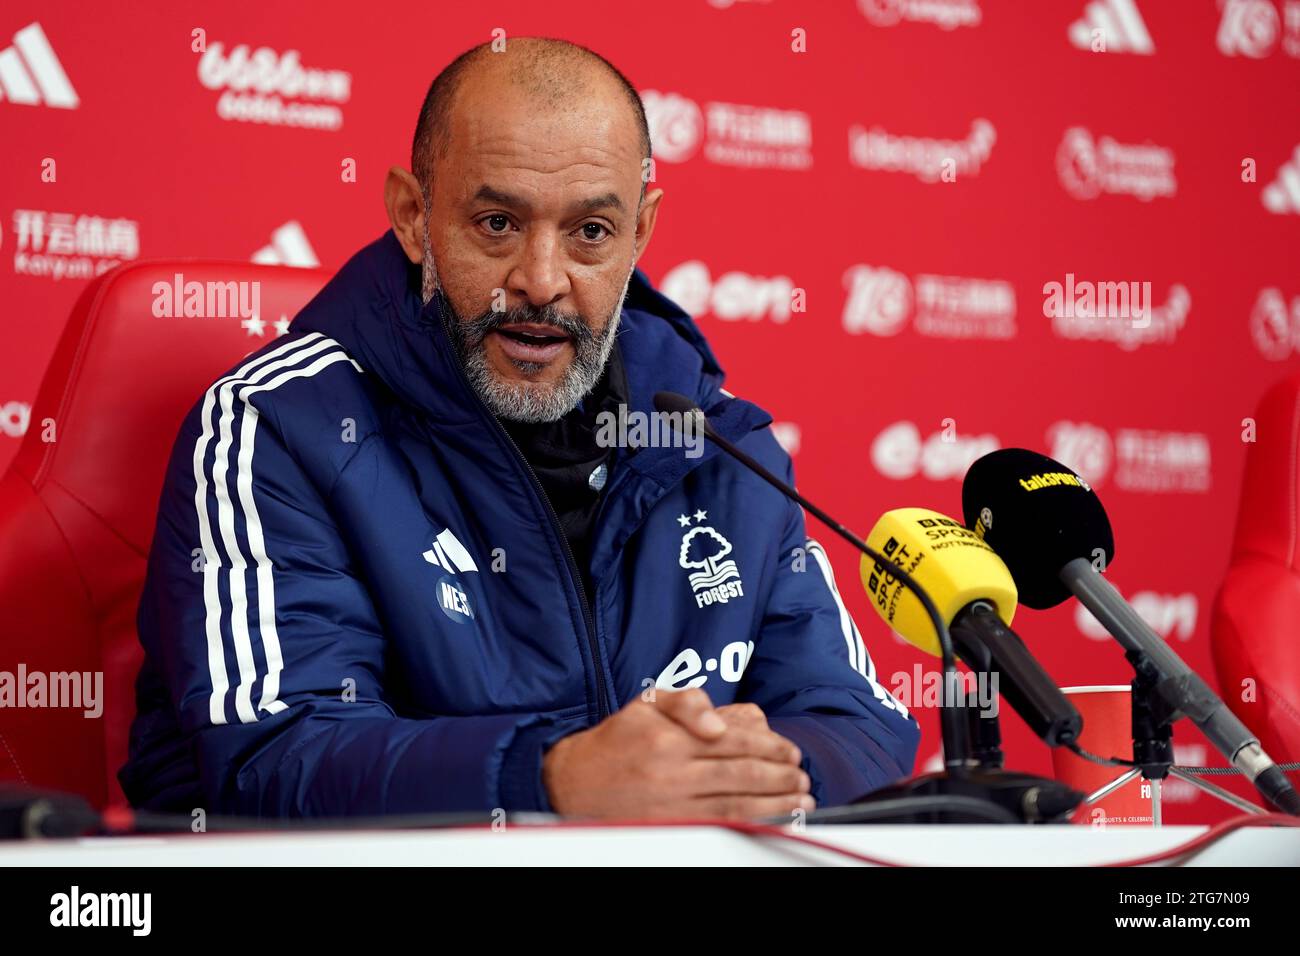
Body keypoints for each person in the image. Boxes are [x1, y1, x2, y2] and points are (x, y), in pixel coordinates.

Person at [119, 37, 919, 819]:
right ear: (412, 216)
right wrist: (551, 779)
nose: (541, 281)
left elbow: (857, 723)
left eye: (591, 233)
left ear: (640, 233)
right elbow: (272, 758)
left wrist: (748, 772)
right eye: (497, 223)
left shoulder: (713, 443)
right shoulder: (277, 429)